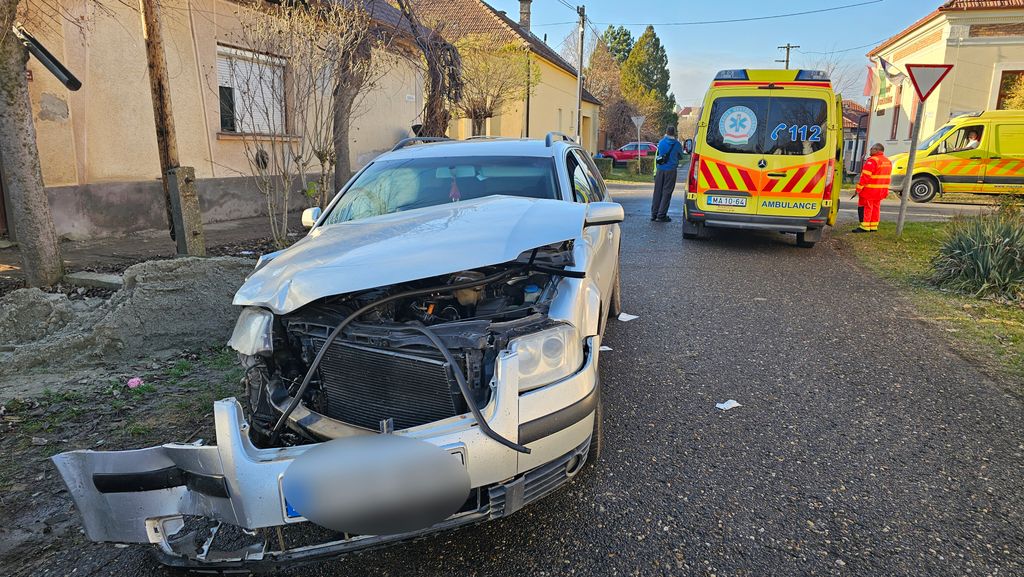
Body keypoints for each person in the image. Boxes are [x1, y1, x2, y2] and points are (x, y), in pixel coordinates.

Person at [853, 143, 892, 233]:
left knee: (867, 207)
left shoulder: (872, 160)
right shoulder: (887, 161)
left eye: (872, 149)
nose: (870, 150)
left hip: (870, 190)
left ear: (877, 150)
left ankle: (865, 226)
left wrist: (858, 189)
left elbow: (865, 177)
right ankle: (873, 226)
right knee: (876, 207)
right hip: (881, 190)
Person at [651, 126, 683, 222]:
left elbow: (659, 154)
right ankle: (661, 215)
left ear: (666, 132)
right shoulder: (677, 144)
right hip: (671, 170)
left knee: (657, 191)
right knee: (667, 192)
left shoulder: (661, 142)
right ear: (674, 133)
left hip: (660, 169)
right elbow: (681, 156)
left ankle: (654, 214)